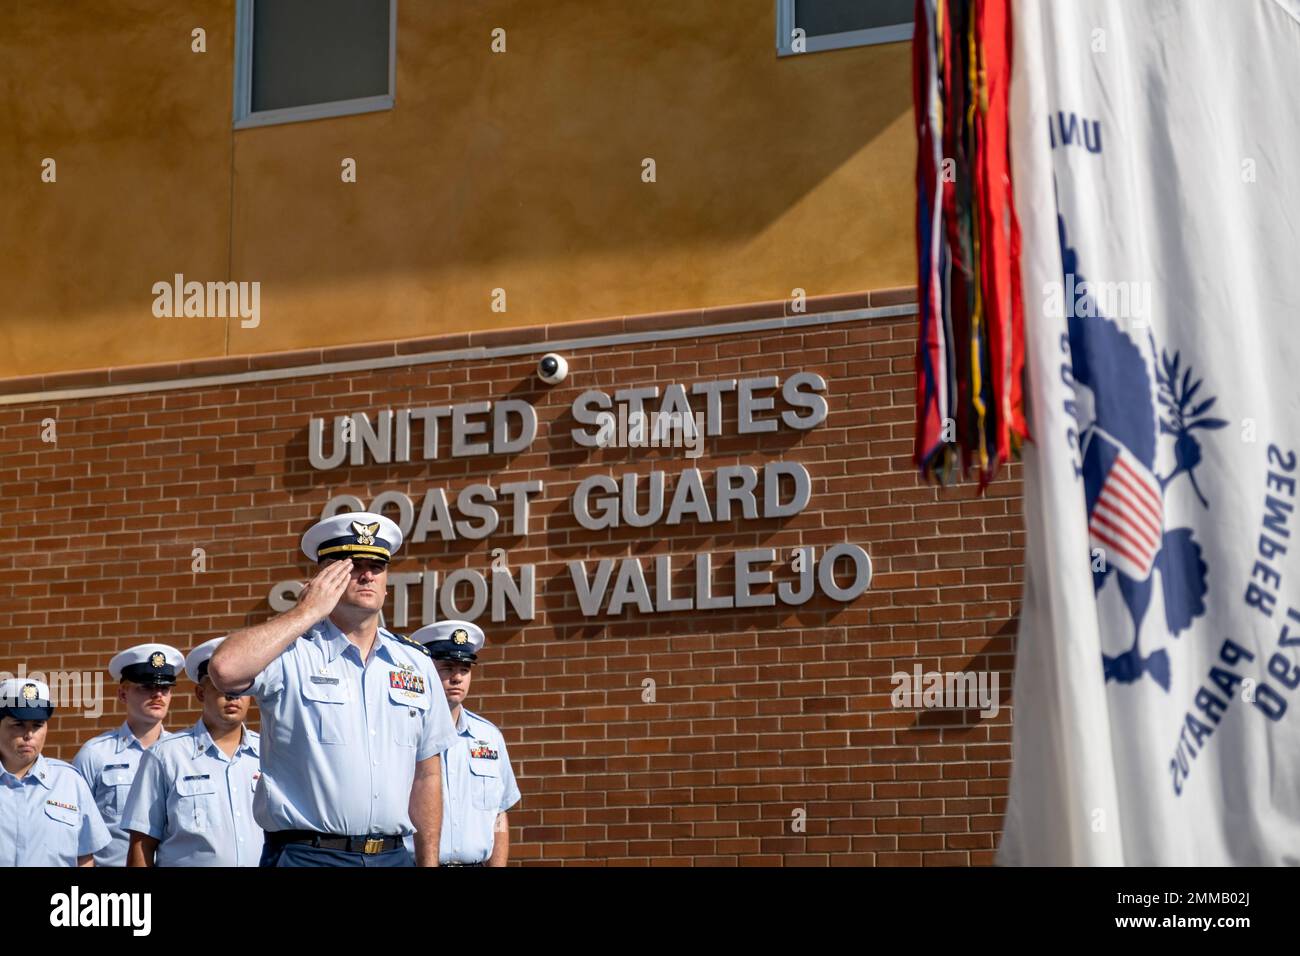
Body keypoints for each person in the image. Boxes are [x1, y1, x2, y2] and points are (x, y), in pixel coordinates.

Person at [208, 512, 457, 866]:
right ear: (325, 577)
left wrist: (428, 863)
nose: (367, 575)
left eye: (377, 566)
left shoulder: (414, 662)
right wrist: (306, 612)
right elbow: (224, 670)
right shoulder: (293, 651)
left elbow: (427, 773)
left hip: (392, 856)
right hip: (309, 855)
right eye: (353, 566)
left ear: (387, 583)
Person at [121, 636, 264, 866]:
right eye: (223, 685)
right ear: (200, 693)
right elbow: (142, 844)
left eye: (241, 685)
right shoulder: (165, 756)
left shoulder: (269, 753)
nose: (233, 695)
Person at [409, 620, 520, 867]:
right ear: (426, 670)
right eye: (447, 668)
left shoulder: (489, 736)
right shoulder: (404, 730)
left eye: (465, 669)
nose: (457, 677)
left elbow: (499, 814)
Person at [73, 642, 185, 866]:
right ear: (123, 694)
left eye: (165, 688)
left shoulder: (184, 755)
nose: (158, 694)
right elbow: (74, 829)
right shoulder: (95, 754)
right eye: (146, 687)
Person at [0, 678, 110, 866]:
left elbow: (84, 858)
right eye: (18, 724)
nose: (29, 735)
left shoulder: (70, 782)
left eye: (37, 725)